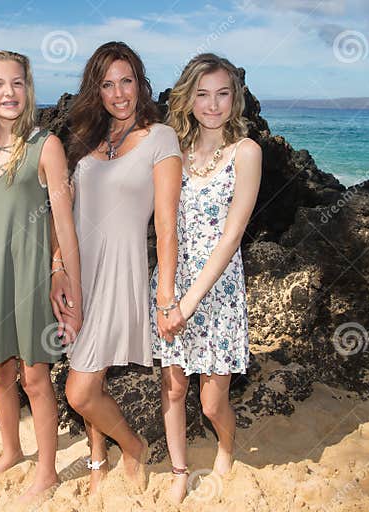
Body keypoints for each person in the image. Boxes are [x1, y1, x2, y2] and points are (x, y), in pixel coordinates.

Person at [50, 41, 185, 494]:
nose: (119, 93)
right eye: (107, 85)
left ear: (140, 83)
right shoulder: (88, 140)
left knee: (79, 390)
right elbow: (65, 213)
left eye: (126, 81)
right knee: (91, 366)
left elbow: (166, 225)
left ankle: (134, 445)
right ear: (97, 91)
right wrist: (57, 269)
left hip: (119, 274)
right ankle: (96, 455)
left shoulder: (161, 137)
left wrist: (165, 296)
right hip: (78, 274)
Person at [0, 50, 82, 504]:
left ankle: (46, 469)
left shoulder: (46, 144)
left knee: (35, 375)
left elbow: (64, 222)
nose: (8, 92)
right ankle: (11, 450)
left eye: (17, 83)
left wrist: (63, 273)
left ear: (28, 89)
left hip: (28, 273)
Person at [150, 53, 262, 503]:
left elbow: (233, 234)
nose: (212, 104)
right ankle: (179, 469)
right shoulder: (172, 147)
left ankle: (226, 445)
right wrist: (165, 295)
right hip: (171, 281)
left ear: (234, 99)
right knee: (173, 386)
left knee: (212, 402)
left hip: (218, 290)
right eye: (202, 94)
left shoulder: (246, 152)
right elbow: (161, 220)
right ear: (188, 97)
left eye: (222, 93)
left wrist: (189, 303)